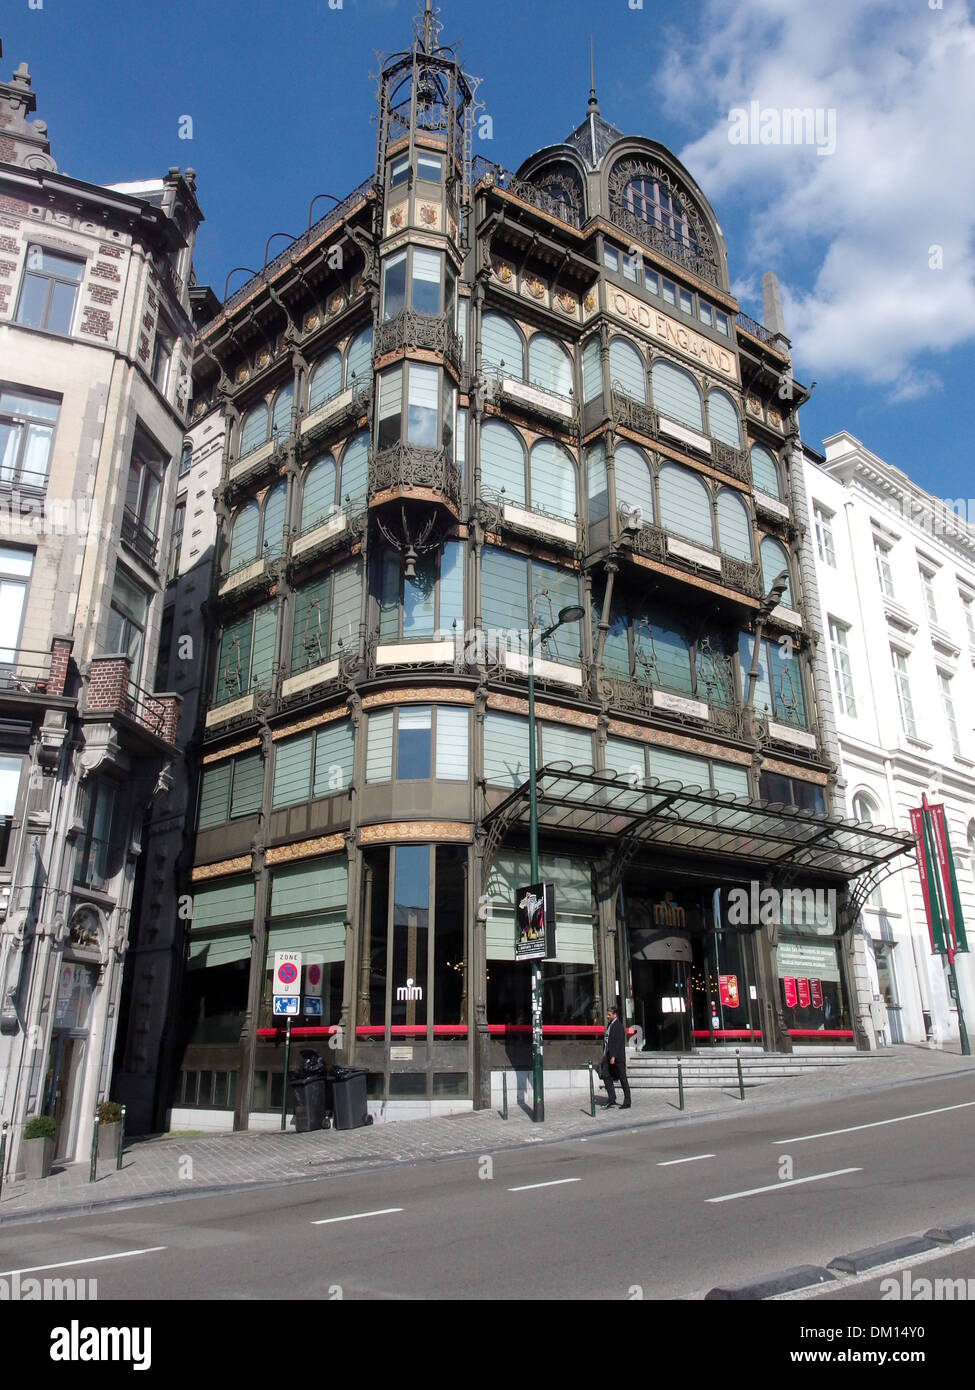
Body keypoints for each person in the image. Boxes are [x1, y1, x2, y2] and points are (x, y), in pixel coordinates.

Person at [601, 1004, 631, 1109]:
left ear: (615, 1014)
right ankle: (612, 1098)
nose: (607, 1016)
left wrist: (613, 1056)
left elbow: (617, 1043)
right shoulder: (610, 1025)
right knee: (605, 1075)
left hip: (617, 1057)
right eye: (607, 1014)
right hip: (608, 1056)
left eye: (609, 1014)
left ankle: (627, 1101)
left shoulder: (618, 1025)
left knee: (623, 1078)